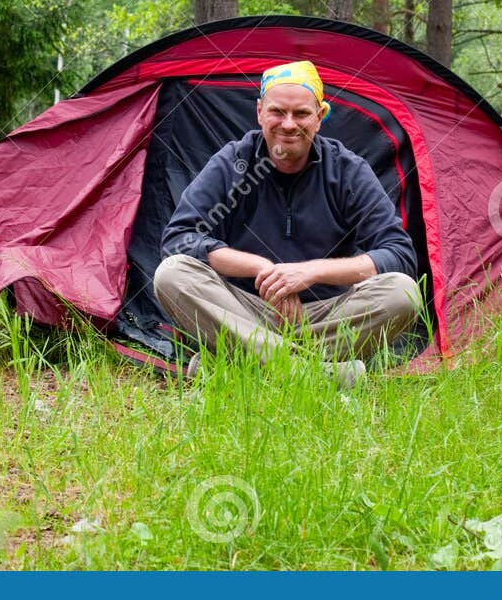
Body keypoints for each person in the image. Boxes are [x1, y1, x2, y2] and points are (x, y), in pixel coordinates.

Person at [153, 60, 423, 388]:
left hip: (327, 315)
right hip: (246, 313)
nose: (289, 124)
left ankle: (235, 365)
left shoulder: (349, 171)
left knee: (403, 293)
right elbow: (179, 239)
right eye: (278, 112)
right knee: (172, 273)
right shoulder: (232, 163)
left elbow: (399, 254)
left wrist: (310, 272)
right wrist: (261, 268)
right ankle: (317, 375)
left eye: (302, 114)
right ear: (259, 113)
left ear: (320, 117)